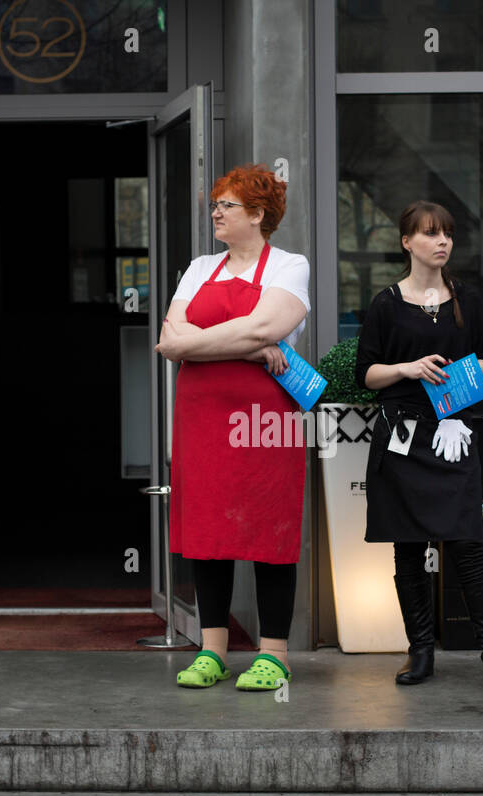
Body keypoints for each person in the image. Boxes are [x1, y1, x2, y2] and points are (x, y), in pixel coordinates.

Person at [154, 164, 310, 691]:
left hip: (263, 421)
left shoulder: (290, 265)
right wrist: (246, 343)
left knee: (270, 527)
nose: (216, 212)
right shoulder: (200, 266)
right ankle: (212, 650)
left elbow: (268, 325)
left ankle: (274, 654)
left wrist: (238, 337)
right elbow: (169, 335)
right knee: (206, 531)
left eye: (227, 205)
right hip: (201, 417)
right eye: (216, 204)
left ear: (258, 214)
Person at [355, 200, 483, 697]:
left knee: (469, 545)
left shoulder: (467, 297)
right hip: (402, 436)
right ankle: (420, 650)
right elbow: (367, 373)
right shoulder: (385, 303)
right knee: (409, 551)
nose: (442, 241)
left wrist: (455, 381)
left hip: (452, 430)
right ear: (407, 242)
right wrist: (408, 368)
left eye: (447, 233)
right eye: (430, 234)